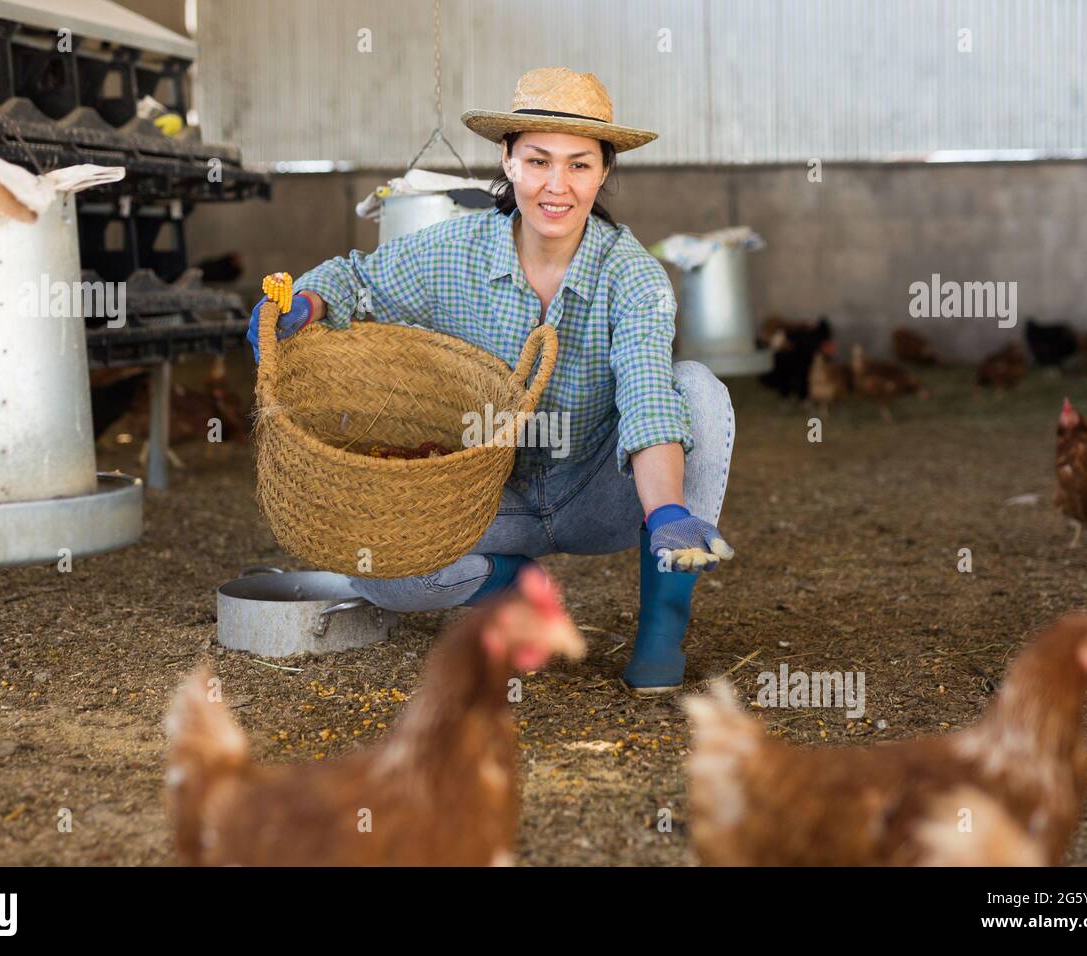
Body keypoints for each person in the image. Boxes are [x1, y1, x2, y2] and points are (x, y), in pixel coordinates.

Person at [245, 67, 735, 695]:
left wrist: (666, 510)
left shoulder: (632, 275)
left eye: (579, 166)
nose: (557, 186)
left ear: (605, 171)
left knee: (696, 388)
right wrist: (305, 305)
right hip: (484, 498)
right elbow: (356, 277)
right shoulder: (455, 250)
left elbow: (646, 393)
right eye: (538, 161)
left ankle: (661, 632)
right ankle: (517, 584)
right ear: (506, 161)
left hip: (600, 493)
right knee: (380, 576)